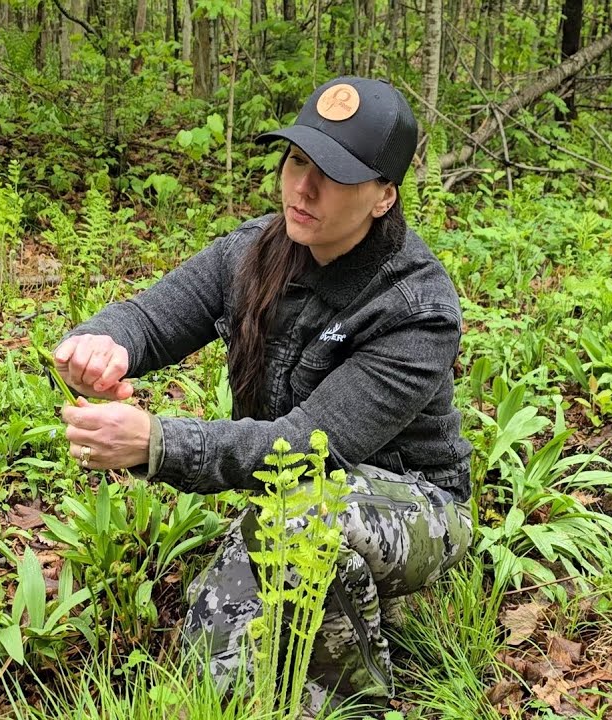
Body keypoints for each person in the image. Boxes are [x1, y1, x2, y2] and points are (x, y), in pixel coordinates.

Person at [52, 76, 473, 711]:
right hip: (294, 495)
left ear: (384, 198)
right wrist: (100, 345)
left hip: (413, 505)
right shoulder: (256, 251)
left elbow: (306, 447)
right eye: (299, 159)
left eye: (333, 174)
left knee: (297, 519)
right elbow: (151, 317)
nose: (303, 187)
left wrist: (156, 443)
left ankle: (346, 696)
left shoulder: (414, 310)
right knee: (257, 586)